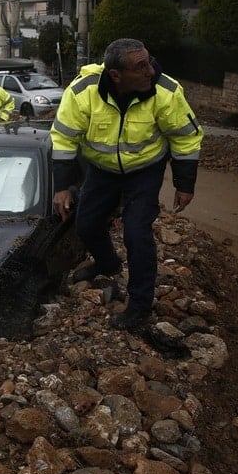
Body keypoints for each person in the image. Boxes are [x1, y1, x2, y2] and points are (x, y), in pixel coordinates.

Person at [50, 38, 203, 331]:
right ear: (116, 75)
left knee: (136, 232)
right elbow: (64, 139)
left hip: (144, 170)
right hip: (101, 169)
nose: (150, 70)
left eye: (149, 61)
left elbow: (186, 138)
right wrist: (62, 187)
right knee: (87, 225)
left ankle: (140, 304)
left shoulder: (165, 91)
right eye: (140, 66)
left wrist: (185, 184)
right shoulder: (83, 92)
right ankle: (108, 263)